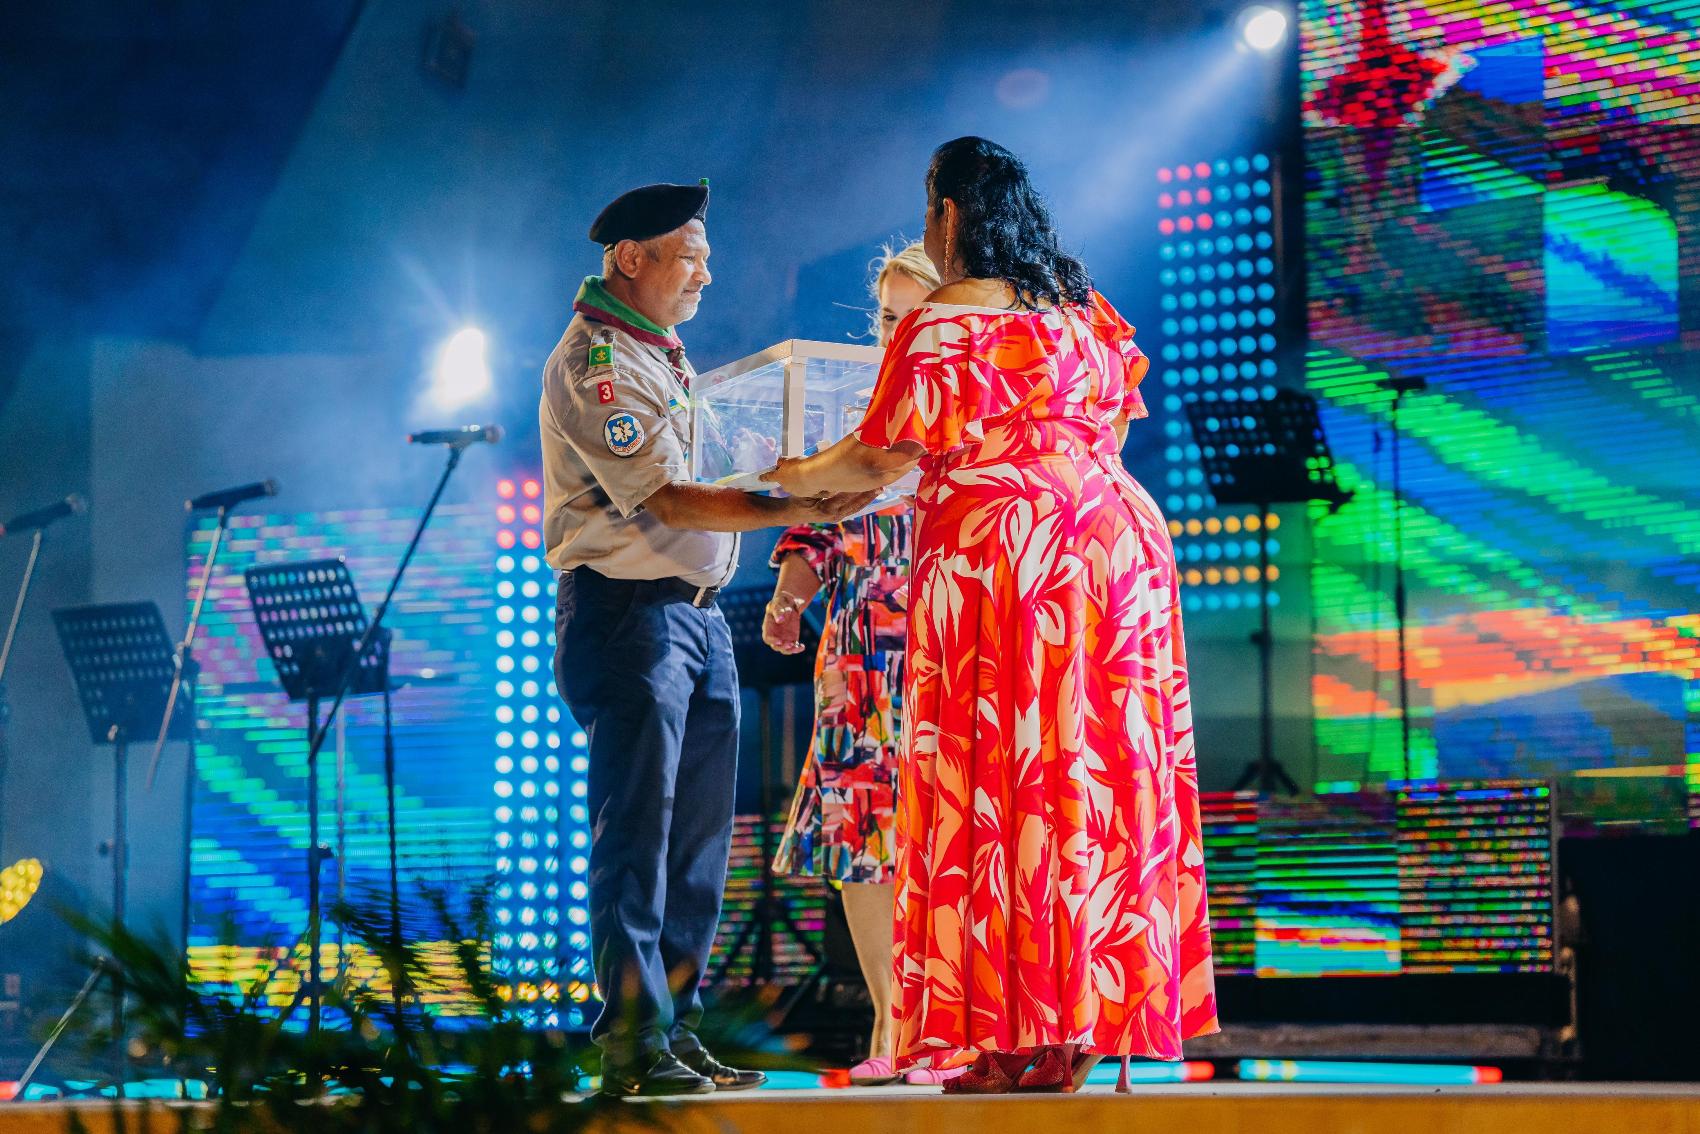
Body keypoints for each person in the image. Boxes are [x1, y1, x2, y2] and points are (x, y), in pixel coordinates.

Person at [771, 138, 1219, 1094]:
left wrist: (785, 480)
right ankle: (1076, 1026)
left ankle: (1010, 1035)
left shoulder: (941, 323)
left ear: (945, 218)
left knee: (997, 778)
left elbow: (873, 461)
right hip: (1114, 546)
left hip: (1003, 554)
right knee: (1086, 776)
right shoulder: (1086, 310)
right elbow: (1113, 416)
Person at [540, 179, 875, 1097]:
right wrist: (796, 503)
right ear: (631, 258)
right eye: (690, 256)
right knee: (637, 837)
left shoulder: (664, 355)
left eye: (708, 257)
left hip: (695, 617)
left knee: (695, 846)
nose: (705, 273)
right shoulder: (596, 361)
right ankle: (628, 1044)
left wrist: (804, 475)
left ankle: (672, 1032)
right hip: (628, 613)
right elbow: (667, 496)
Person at [762, 242, 962, 1087]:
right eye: (884, 313)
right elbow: (813, 522)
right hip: (862, 657)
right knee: (861, 832)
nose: (893, 327)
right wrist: (787, 598)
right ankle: (889, 1012)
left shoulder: (968, 400)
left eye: (910, 310)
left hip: (953, 647)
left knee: (942, 831)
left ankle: (942, 1020)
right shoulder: (847, 407)